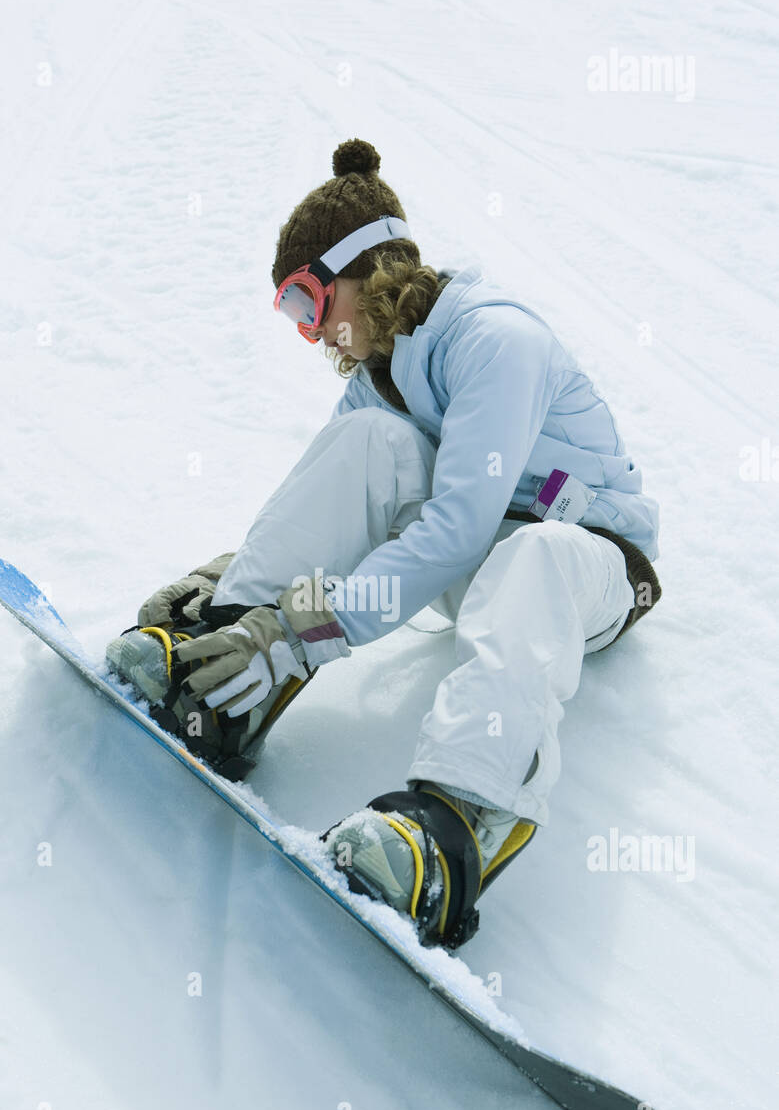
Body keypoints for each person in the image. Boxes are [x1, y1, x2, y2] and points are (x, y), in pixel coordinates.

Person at [107, 138, 661, 951]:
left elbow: (455, 530)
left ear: (364, 272)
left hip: (590, 567)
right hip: (477, 568)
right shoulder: (381, 379)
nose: (310, 335)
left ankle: (454, 826)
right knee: (367, 443)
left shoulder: (495, 340)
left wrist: (301, 635)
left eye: (307, 305)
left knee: (528, 554)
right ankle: (221, 662)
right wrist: (242, 589)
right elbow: (321, 507)